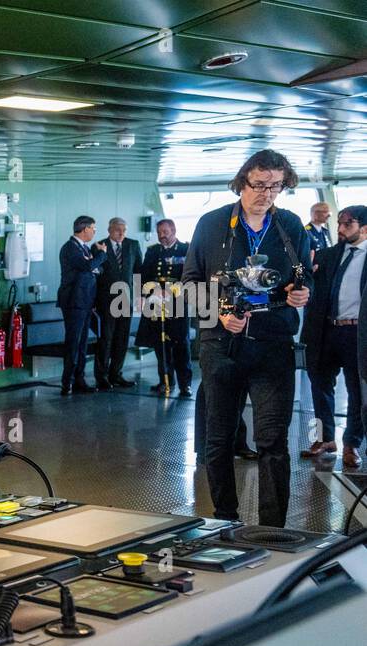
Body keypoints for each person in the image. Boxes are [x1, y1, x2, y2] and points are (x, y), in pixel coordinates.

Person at [182, 149, 313, 528]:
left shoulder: (290, 226)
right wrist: (221, 314)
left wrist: (304, 294)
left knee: (272, 440)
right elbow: (189, 285)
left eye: (275, 186)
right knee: (219, 439)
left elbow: (305, 280)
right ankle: (225, 520)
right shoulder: (212, 224)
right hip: (222, 347)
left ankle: (273, 529)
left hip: (273, 346)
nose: (266, 194)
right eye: (259, 185)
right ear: (242, 181)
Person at [300, 205, 367, 469]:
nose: (339, 229)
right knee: (318, 385)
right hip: (325, 330)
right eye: (338, 223)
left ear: (364, 227)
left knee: (357, 391)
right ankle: (324, 439)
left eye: (347, 224)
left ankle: (352, 443)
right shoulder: (328, 255)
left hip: (357, 334)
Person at [137, 219, 192, 397]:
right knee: (160, 344)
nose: (162, 235)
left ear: (174, 230)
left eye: (165, 231)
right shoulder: (153, 251)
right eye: (159, 232)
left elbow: (190, 276)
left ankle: (185, 384)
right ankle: (165, 380)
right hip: (157, 303)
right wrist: (143, 295)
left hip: (178, 304)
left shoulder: (186, 249)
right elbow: (144, 275)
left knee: (181, 344)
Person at [56, 215, 107, 395]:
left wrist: (94, 262)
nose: (94, 232)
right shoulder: (71, 248)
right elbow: (88, 267)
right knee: (73, 342)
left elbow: (96, 269)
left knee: (83, 342)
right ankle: (67, 382)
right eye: (93, 228)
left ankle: (79, 379)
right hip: (73, 301)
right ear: (85, 229)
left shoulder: (84, 249)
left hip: (85, 301)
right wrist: (101, 254)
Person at [94, 217, 142, 389]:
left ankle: (116, 374)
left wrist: (139, 296)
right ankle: (102, 376)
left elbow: (138, 272)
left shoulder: (133, 245)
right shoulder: (99, 246)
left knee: (122, 339)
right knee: (106, 339)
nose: (121, 233)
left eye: (124, 230)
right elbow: (95, 276)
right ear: (109, 230)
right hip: (106, 301)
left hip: (126, 299)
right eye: (117, 230)